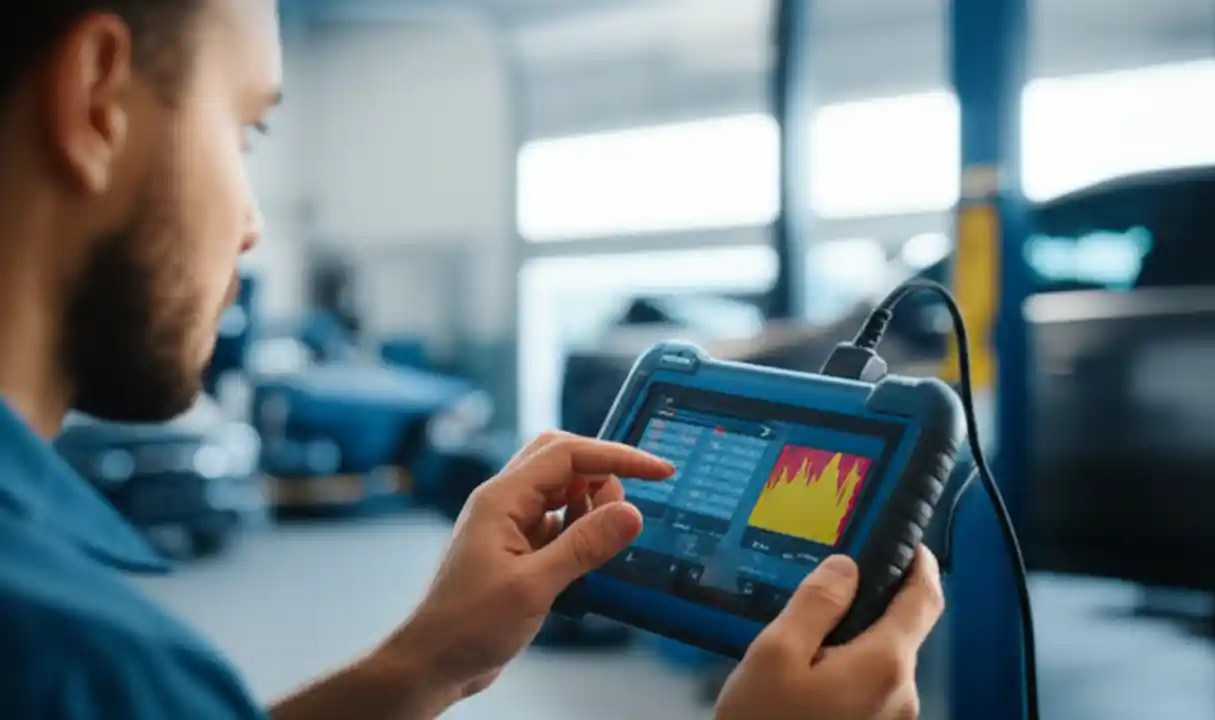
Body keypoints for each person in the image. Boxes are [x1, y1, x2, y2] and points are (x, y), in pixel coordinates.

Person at [0, 1, 945, 718]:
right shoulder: (78, 661)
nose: (252, 223)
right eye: (247, 130)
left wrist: (421, 665)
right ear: (97, 100)